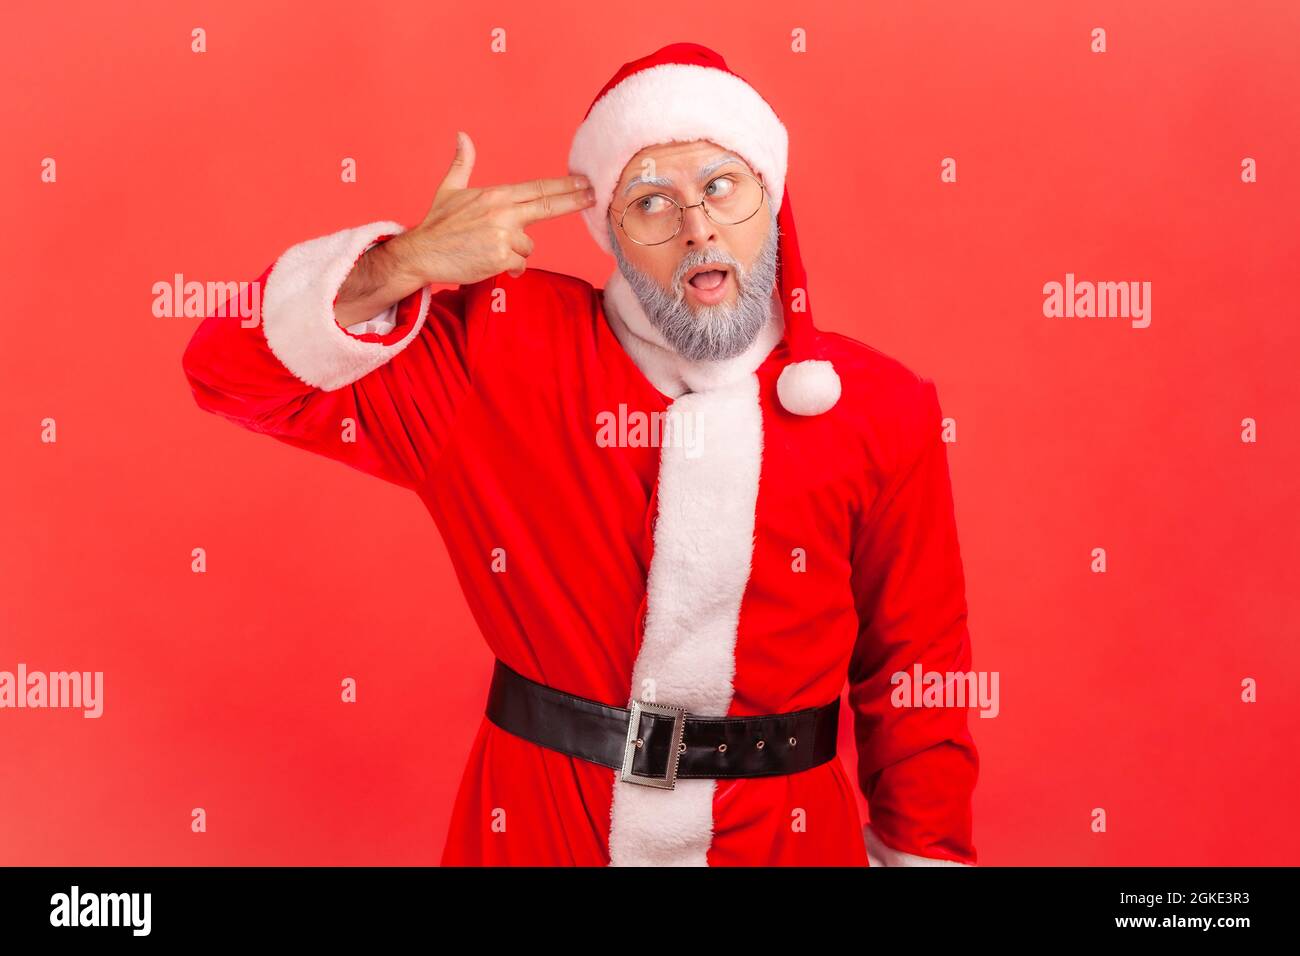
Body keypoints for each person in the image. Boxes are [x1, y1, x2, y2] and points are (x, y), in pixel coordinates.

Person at [181, 42, 979, 867]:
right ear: (612, 235)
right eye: (651, 201)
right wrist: (402, 261)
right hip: (538, 829)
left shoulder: (880, 407)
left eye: (719, 187)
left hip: (785, 841)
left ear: (768, 199)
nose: (697, 225)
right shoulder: (499, 350)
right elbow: (229, 374)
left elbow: (917, 678)